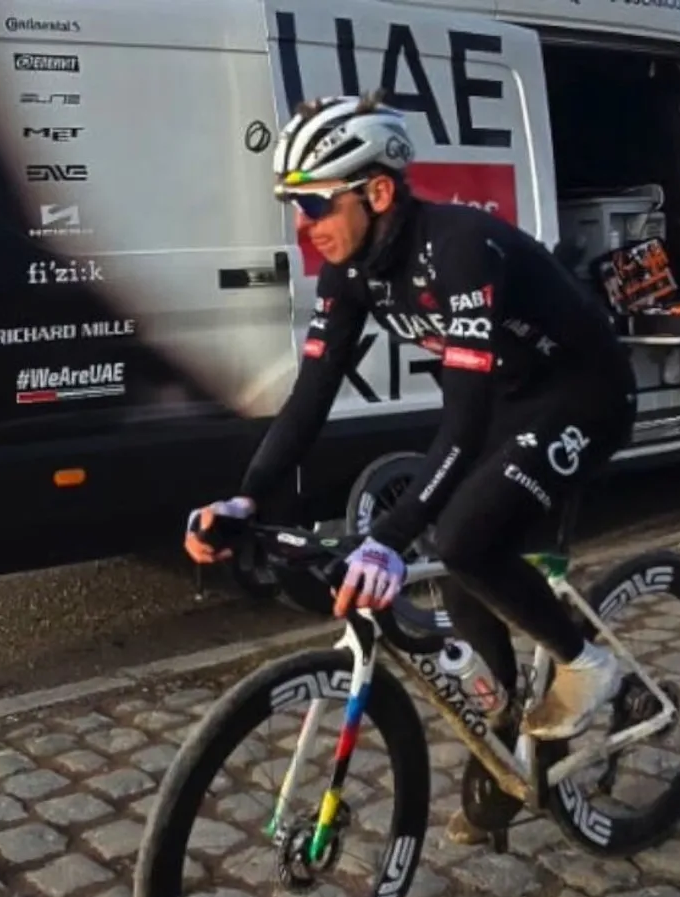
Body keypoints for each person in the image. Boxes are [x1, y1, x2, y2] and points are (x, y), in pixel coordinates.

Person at [183, 93, 638, 842]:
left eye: (316, 205)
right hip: (511, 397)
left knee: (459, 538)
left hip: (584, 393)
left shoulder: (457, 247)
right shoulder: (352, 269)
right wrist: (245, 500)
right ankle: (507, 744)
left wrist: (389, 535)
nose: (305, 226)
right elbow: (310, 401)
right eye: (294, 209)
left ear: (379, 191)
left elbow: (458, 423)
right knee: (465, 568)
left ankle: (584, 662)